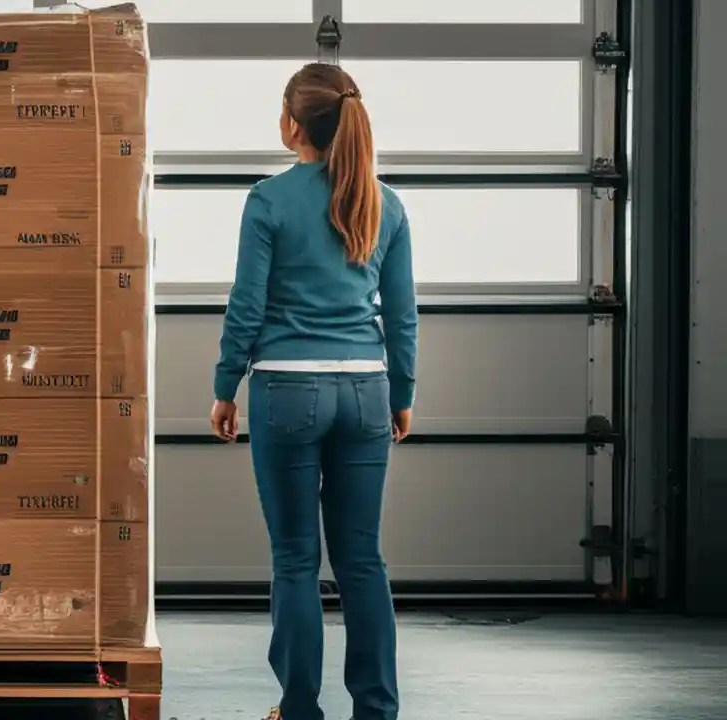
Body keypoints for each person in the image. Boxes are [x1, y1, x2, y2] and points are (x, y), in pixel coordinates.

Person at [209, 63, 418, 720]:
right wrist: (401, 393)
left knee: (296, 559)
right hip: (364, 394)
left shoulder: (268, 200)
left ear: (291, 124)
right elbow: (402, 313)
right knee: (362, 560)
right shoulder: (387, 204)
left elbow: (247, 305)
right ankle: (377, 710)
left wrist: (225, 386)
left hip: (286, 392)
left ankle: (298, 710)